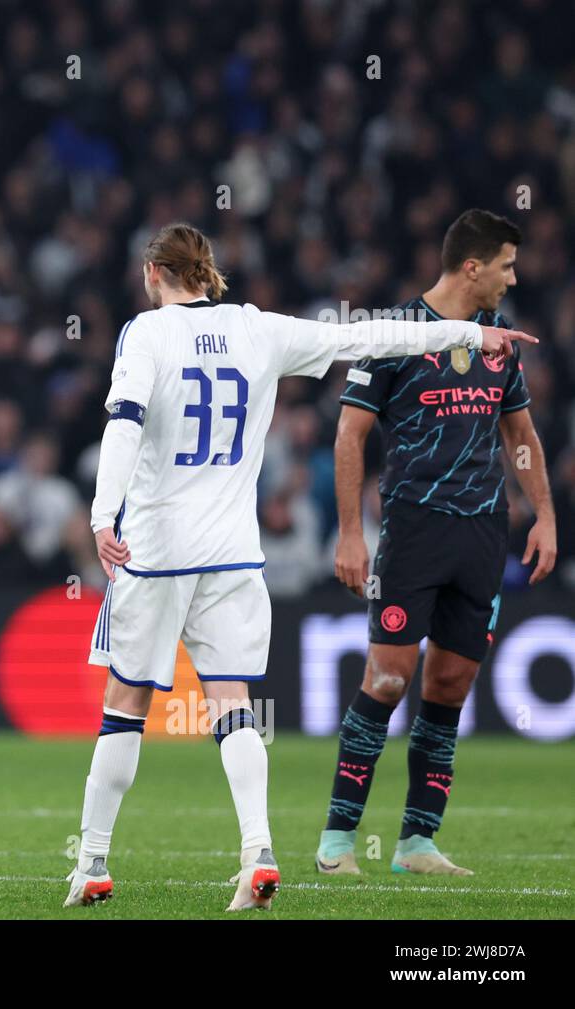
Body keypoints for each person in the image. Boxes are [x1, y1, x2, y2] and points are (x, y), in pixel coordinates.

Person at [63, 223, 534, 911]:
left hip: (156, 553)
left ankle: (94, 863)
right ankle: (258, 851)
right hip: (232, 554)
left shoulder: (145, 333)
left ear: (155, 273)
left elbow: (125, 421)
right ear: (209, 273)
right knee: (233, 709)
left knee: (125, 708)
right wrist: (464, 335)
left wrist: (104, 514)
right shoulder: (259, 329)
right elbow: (367, 336)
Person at [319, 209, 557, 876]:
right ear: (474, 266)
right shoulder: (394, 335)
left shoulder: (495, 342)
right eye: (506, 265)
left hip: (482, 532)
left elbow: (521, 437)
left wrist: (544, 514)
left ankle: (416, 842)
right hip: (413, 530)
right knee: (389, 677)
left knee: (450, 686)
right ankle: (338, 841)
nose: (514, 277)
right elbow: (350, 435)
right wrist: (349, 532)